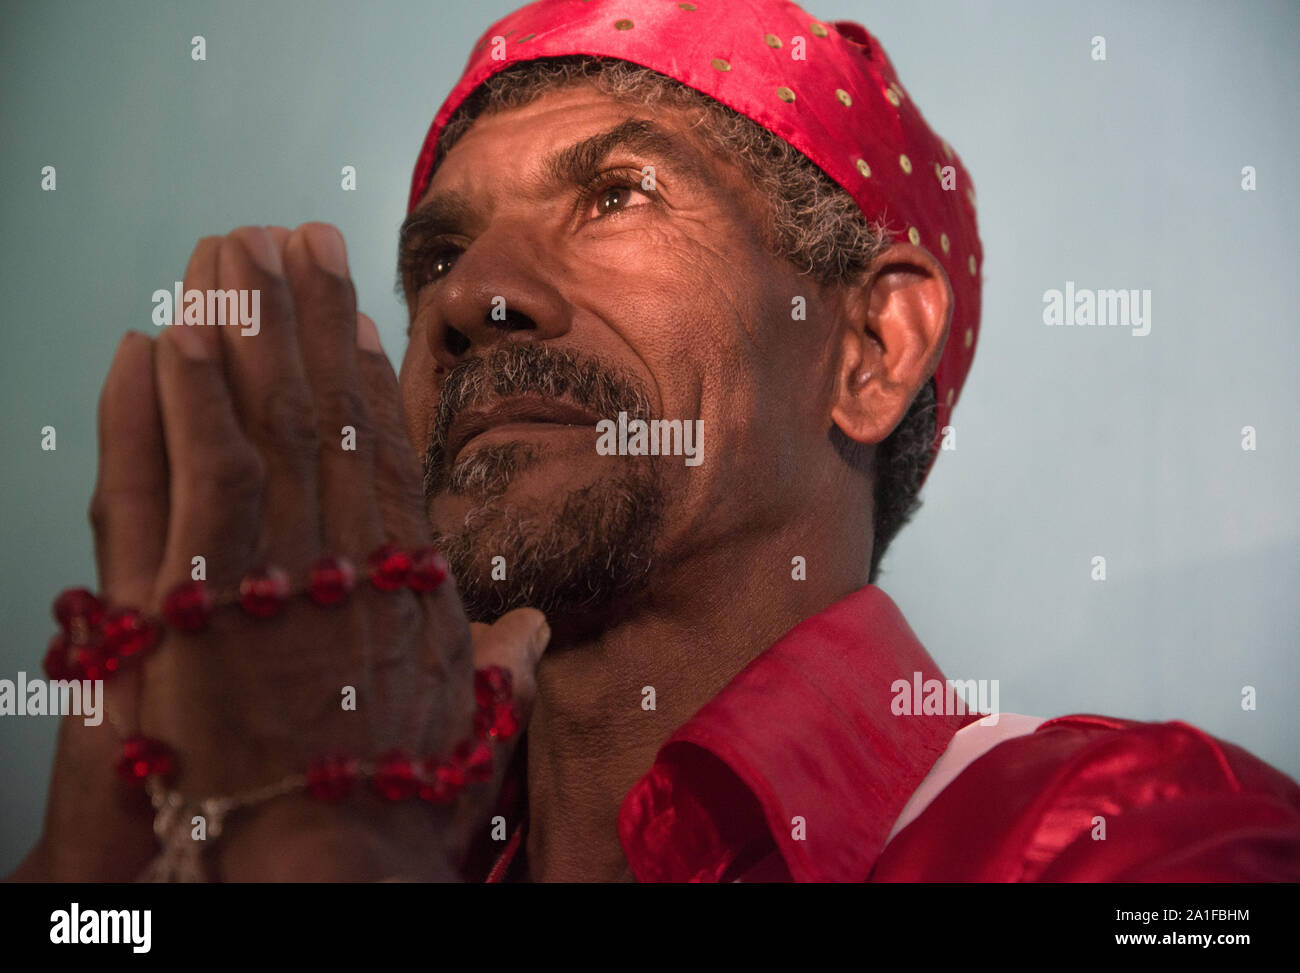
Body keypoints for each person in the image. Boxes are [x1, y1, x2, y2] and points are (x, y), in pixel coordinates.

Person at [12, 0, 1300, 882]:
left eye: (616, 193)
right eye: (438, 257)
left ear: (870, 350)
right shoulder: (272, 804)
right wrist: (91, 860)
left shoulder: (1136, 840)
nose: (472, 297)